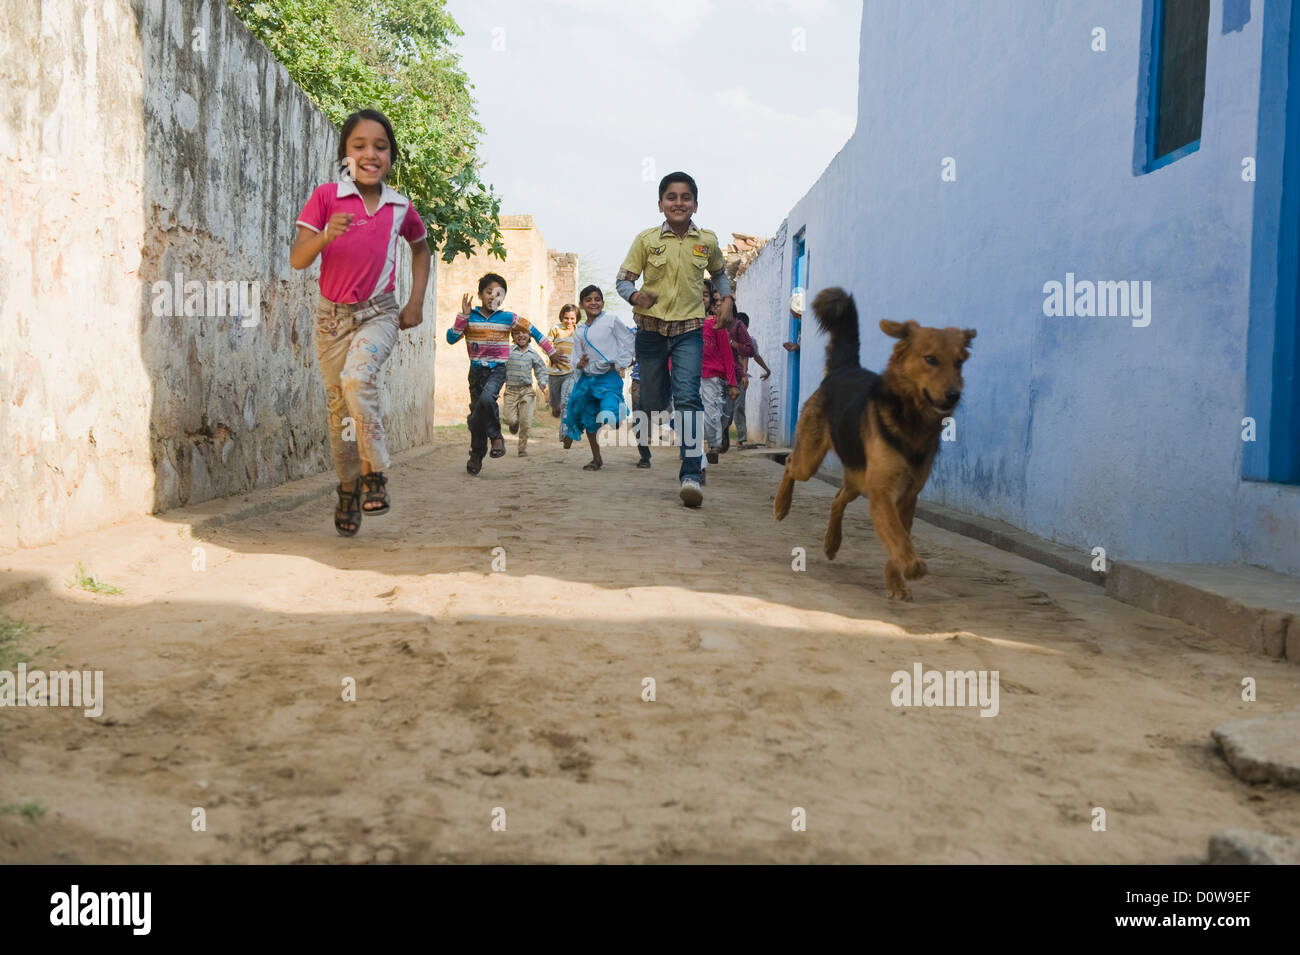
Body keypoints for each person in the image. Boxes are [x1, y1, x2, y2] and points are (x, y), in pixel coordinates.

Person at [291, 108, 430, 537]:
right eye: (360, 146)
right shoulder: (326, 197)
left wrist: (415, 302)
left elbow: (421, 249)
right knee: (339, 412)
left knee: (358, 378)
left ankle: (377, 472)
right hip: (332, 319)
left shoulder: (399, 206)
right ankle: (348, 488)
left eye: (381, 147)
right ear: (345, 155)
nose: (371, 154)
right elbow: (298, 259)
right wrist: (326, 235)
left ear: (391, 155)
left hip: (379, 312)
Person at [616, 171, 733, 507]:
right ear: (660, 204)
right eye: (671, 197)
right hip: (651, 333)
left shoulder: (707, 241)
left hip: (689, 331)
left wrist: (726, 299)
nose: (678, 202)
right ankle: (654, 404)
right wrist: (635, 297)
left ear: (695, 204)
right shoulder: (646, 240)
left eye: (685, 197)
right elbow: (624, 281)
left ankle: (691, 473)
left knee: (688, 398)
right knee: (651, 402)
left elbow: (720, 274)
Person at [446, 273, 557, 475]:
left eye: (499, 294)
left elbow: (534, 331)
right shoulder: (470, 317)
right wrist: (462, 317)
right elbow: (451, 338)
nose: (493, 297)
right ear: (480, 294)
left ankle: (496, 437)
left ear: (503, 297)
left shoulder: (509, 318)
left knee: (487, 400)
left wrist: (552, 353)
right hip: (476, 372)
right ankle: (477, 454)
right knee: (478, 413)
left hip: (497, 370)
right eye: (489, 292)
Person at [562, 286, 635, 470]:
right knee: (589, 420)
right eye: (589, 300)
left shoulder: (611, 320)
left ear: (602, 302)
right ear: (581, 305)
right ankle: (596, 459)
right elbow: (576, 357)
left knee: (609, 410)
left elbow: (629, 340)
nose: (593, 303)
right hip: (588, 381)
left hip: (609, 379)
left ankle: (616, 416)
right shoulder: (579, 331)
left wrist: (620, 362)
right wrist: (580, 363)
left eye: (597, 299)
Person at [720, 311, 771, 451]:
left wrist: (767, 369)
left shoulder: (749, 341)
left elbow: (754, 356)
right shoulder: (726, 337)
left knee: (739, 407)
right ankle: (722, 434)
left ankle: (741, 439)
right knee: (726, 408)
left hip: (741, 378)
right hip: (726, 376)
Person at [500, 326, 550, 456]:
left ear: (530, 336)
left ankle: (522, 448)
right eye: (517, 333)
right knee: (508, 419)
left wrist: (543, 383)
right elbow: (500, 368)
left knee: (526, 422)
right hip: (511, 390)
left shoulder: (533, 354)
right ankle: (513, 423)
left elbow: (541, 370)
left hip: (527, 391)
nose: (521, 336)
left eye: (524, 333)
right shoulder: (508, 352)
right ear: (513, 336)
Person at [701, 305, 739, 466]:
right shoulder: (681, 325)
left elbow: (727, 354)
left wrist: (732, 382)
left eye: (704, 295)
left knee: (713, 412)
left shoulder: (716, 325)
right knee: (685, 412)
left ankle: (714, 444)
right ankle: (691, 446)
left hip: (712, 377)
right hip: (687, 375)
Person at [547, 304, 580, 441]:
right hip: (554, 373)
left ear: (577, 318)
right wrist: (553, 352)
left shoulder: (579, 332)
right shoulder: (555, 329)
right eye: (566, 318)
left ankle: (565, 433)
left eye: (572, 318)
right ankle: (555, 408)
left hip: (570, 372)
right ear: (562, 317)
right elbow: (546, 345)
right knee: (556, 404)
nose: (569, 321)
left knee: (566, 402)